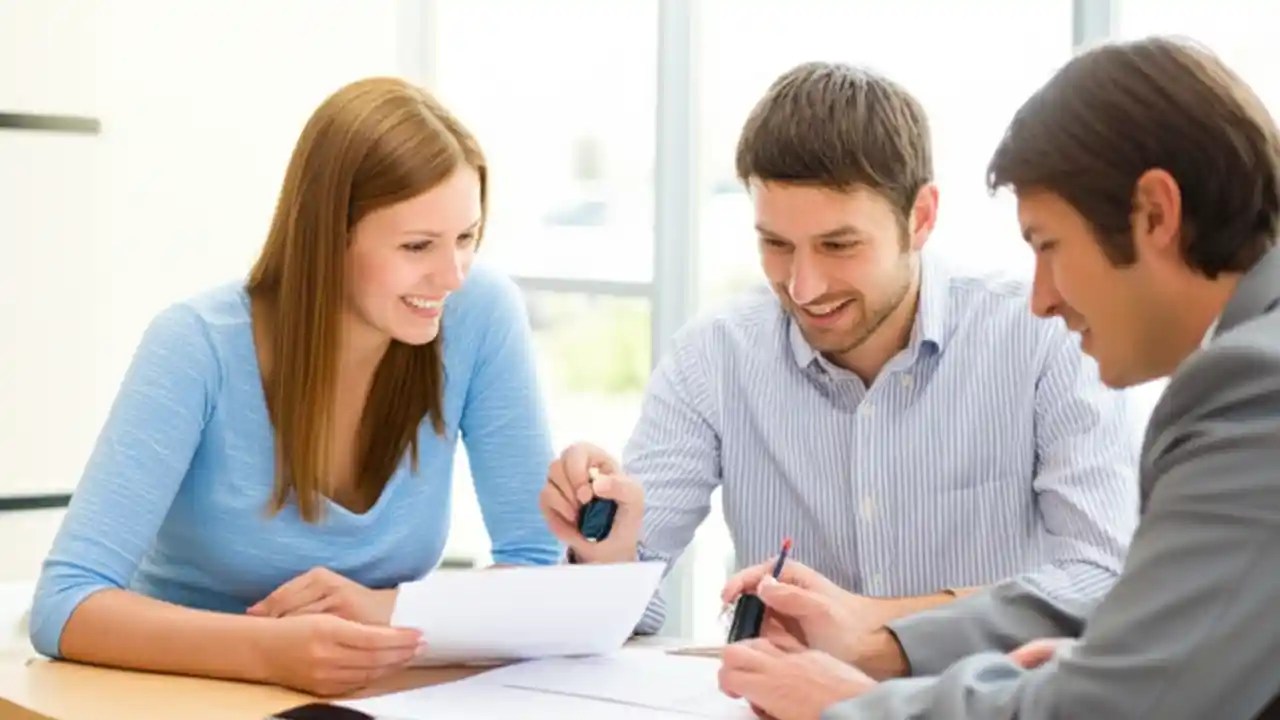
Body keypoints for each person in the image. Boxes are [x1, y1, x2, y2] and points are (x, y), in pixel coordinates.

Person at [717, 36, 1280, 720]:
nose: (1040, 298)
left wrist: (862, 708)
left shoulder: (1252, 386)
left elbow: (1128, 706)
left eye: (1048, 246)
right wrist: (1084, 671)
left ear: (1155, 214)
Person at [540, 61, 1141, 647]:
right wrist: (609, 550)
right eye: (776, 244)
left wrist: (874, 625)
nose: (804, 287)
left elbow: (1101, 580)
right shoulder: (715, 356)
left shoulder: (1041, 338)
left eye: (839, 245)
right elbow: (626, 610)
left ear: (922, 218)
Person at [28, 77, 562, 696]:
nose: (452, 275)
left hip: (373, 699)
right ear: (329, 236)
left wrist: (382, 609)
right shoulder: (196, 344)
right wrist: (269, 651)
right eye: (417, 246)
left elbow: (535, 566)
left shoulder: (480, 314)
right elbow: (66, 603)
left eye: (466, 238)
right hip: (180, 697)